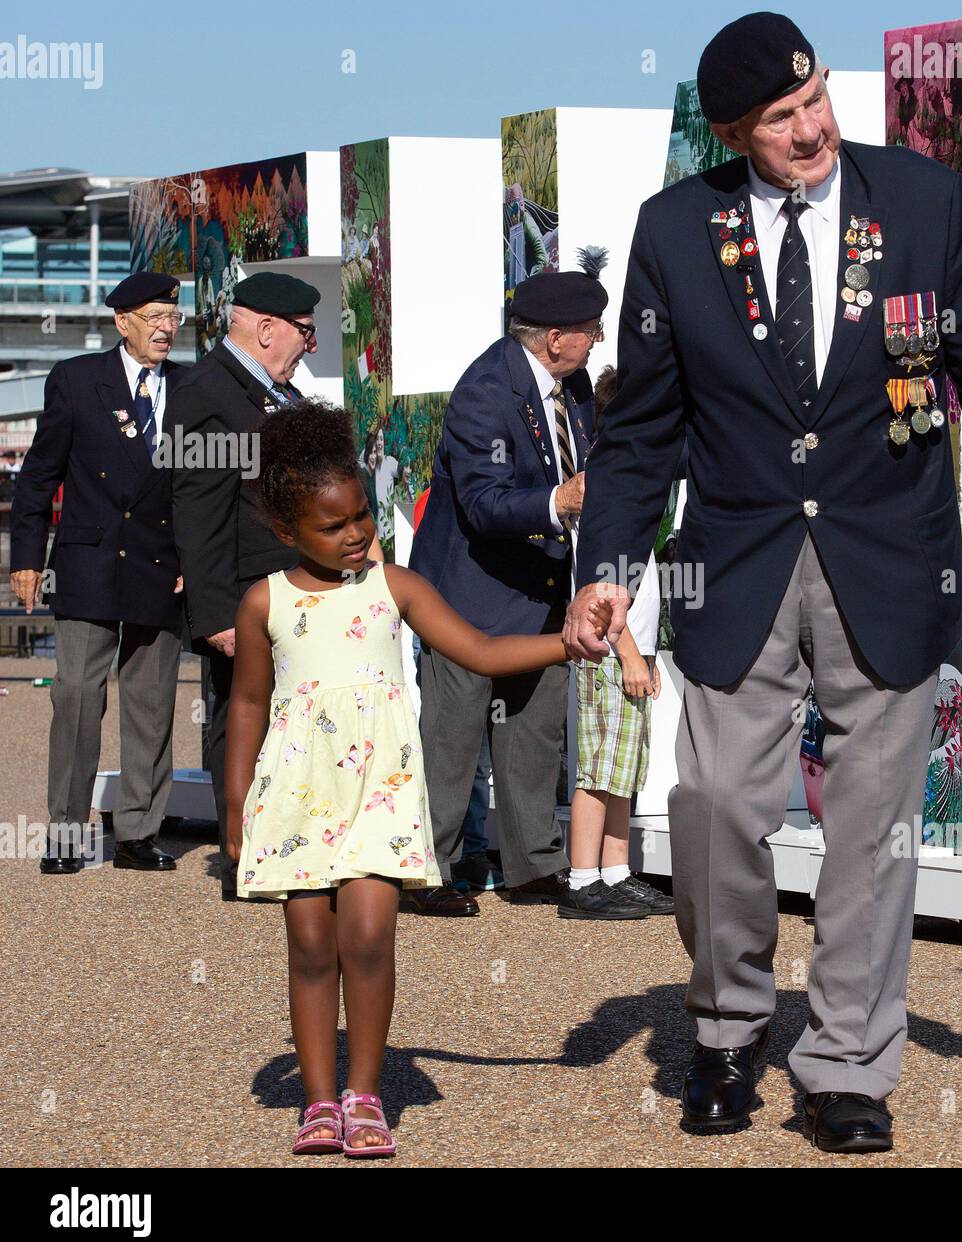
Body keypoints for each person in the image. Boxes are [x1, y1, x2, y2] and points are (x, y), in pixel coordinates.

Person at [565, 12, 962, 1154]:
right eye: (777, 121)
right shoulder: (673, 228)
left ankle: (848, 1063)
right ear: (731, 133)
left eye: (814, 104)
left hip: (889, 559)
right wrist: (607, 569)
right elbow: (640, 430)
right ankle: (724, 1026)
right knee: (710, 810)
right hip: (734, 564)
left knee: (870, 832)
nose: (809, 132)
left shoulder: (924, 202)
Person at [225, 401, 608, 1155]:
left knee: (367, 934)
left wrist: (567, 648)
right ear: (286, 531)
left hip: (377, 794)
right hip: (298, 799)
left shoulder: (393, 587)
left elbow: (482, 649)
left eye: (361, 514)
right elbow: (245, 703)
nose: (356, 533)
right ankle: (318, 1098)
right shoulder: (263, 601)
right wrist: (236, 803)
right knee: (310, 942)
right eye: (333, 527)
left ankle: (365, 1093)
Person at [407, 270, 605, 914]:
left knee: (534, 732)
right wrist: (559, 499)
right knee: (451, 740)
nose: (598, 340)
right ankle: (426, 872)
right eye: (589, 331)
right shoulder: (485, 393)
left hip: (538, 592)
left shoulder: (570, 385)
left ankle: (532, 865)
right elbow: (484, 504)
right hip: (466, 598)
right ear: (554, 338)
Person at [169, 271, 346, 901]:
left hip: (297, 594)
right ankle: (246, 857)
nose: (311, 344)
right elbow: (199, 512)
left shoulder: (279, 394)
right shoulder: (208, 393)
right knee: (241, 726)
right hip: (246, 596)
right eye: (305, 331)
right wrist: (215, 613)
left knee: (292, 724)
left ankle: (291, 850)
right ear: (265, 327)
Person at [9, 272, 188, 874]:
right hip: (88, 562)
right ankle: (64, 830)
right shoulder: (78, 380)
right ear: (122, 322)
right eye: (155, 316)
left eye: (173, 316)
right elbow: (38, 475)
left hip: (162, 565)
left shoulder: (190, 389)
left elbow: (202, 490)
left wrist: (195, 560)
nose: (166, 328)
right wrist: (28, 557)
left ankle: (138, 832)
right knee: (79, 697)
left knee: (152, 701)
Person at [560, 366, 675, 921]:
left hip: (632, 647)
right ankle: (584, 877)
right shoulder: (608, 475)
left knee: (626, 763)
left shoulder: (626, 471)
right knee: (600, 765)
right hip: (608, 648)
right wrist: (629, 653)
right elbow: (601, 581)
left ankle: (615, 869)